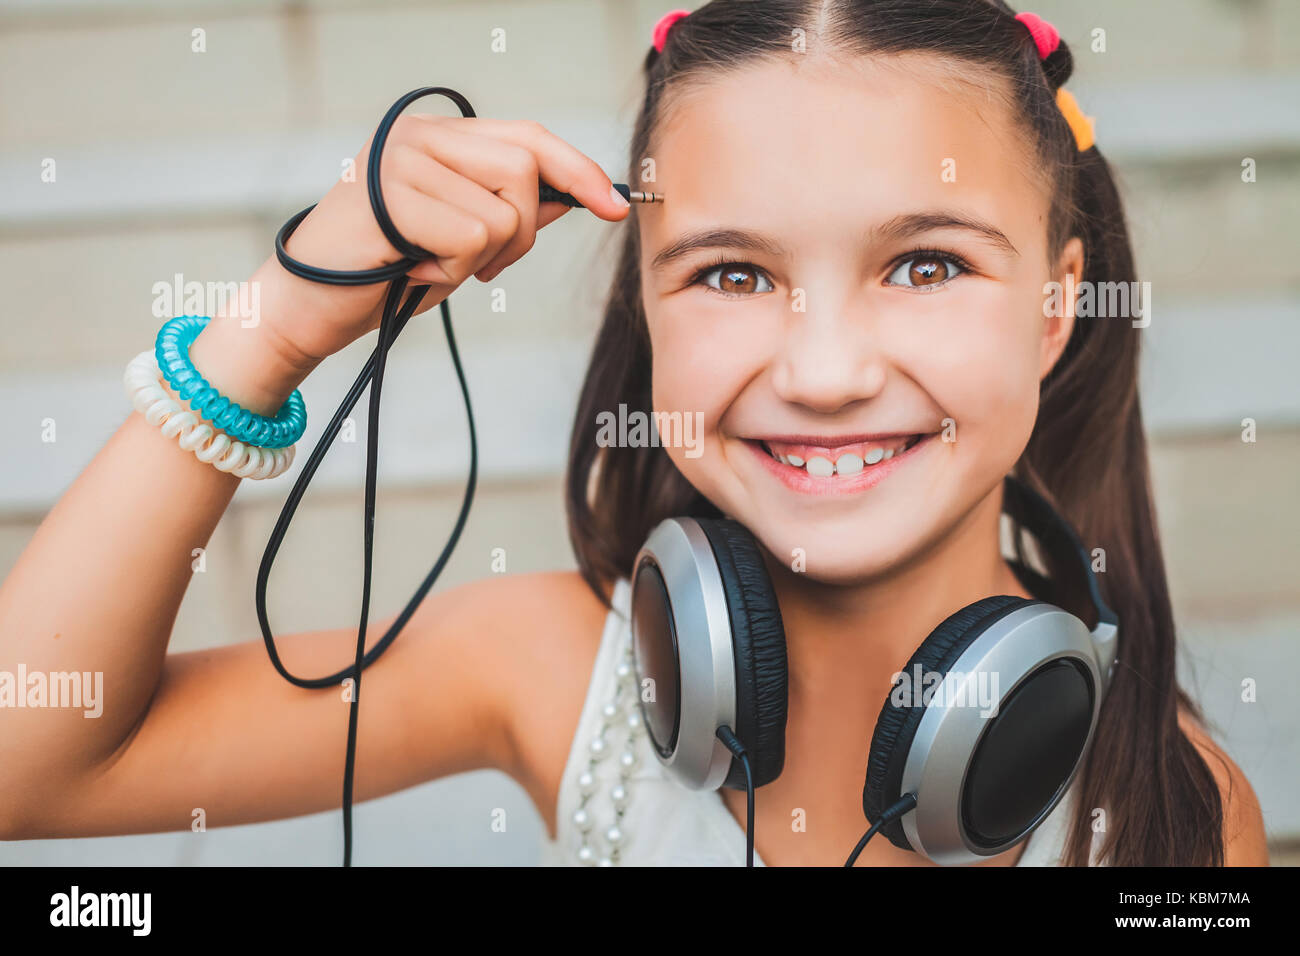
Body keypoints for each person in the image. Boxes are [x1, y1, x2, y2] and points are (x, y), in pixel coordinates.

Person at [0, 0, 1268, 866]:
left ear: (1057, 308)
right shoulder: (548, 664)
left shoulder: (1163, 810)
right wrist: (273, 328)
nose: (824, 372)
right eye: (728, 274)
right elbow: (32, 759)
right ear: (646, 307)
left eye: (926, 265)